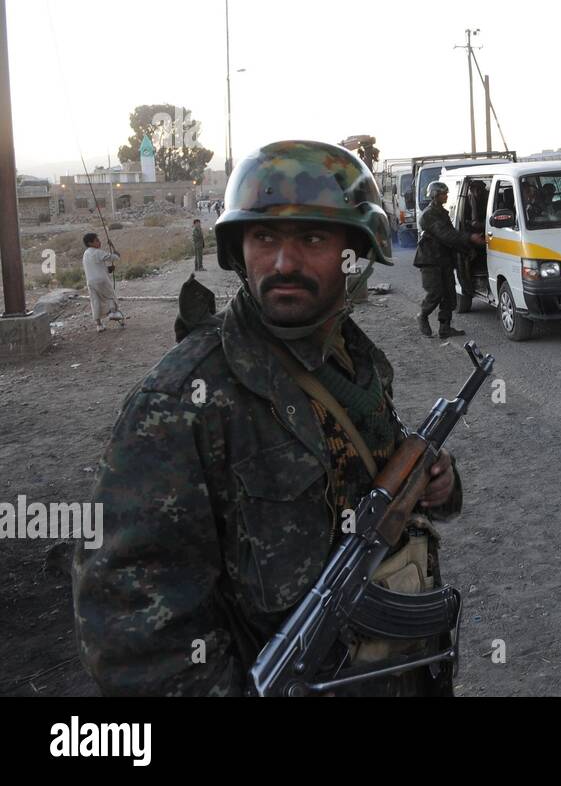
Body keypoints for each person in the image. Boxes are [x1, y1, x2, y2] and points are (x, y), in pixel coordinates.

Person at [72, 140, 462, 697]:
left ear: (357, 250)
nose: (283, 263)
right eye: (264, 238)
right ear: (239, 249)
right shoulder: (183, 401)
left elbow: (373, 475)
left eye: (312, 238)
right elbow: (130, 632)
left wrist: (438, 479)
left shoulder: (354, 360)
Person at [415, 181, 483, 339]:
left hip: (444, 259)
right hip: (430, 260)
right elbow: (446, 235)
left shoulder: (442, 213)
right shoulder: (428, 215)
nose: (446, 196)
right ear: (435, 195)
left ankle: (445, 328)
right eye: (443, 194)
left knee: (450, 295)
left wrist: (467, 249)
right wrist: (470, 237)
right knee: (435, 293)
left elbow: (451, 238)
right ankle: (422, 316)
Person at [81, 233, 124, 331]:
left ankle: (99, 325)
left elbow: (95, 267)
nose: (99, 242)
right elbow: (115, 257)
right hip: (102, 280)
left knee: (95, 301)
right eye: (96, 240)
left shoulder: (85, 254)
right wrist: (112, 246)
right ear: (90, 243)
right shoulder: (97, 252)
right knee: (110, 295)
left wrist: (108, 269)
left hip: (91, 282)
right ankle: (113, 313)